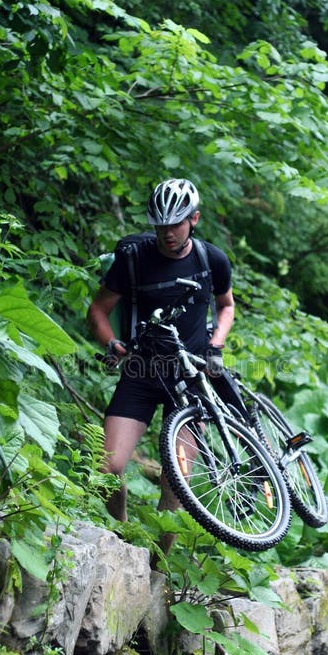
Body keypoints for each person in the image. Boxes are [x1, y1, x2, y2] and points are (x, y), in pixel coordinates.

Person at [87, 178, 235, 550]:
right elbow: (98, 310)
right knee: (109, 467)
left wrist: (216, 346)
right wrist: (112, 343)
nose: (167, 233)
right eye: (160, 225)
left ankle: (158, 562)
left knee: (177, 478)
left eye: (176, 224)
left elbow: (226, 305)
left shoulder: (211, 259)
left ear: (194, 219)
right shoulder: (133, 259)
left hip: (190, 379)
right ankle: (121, 535)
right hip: (141, 372)